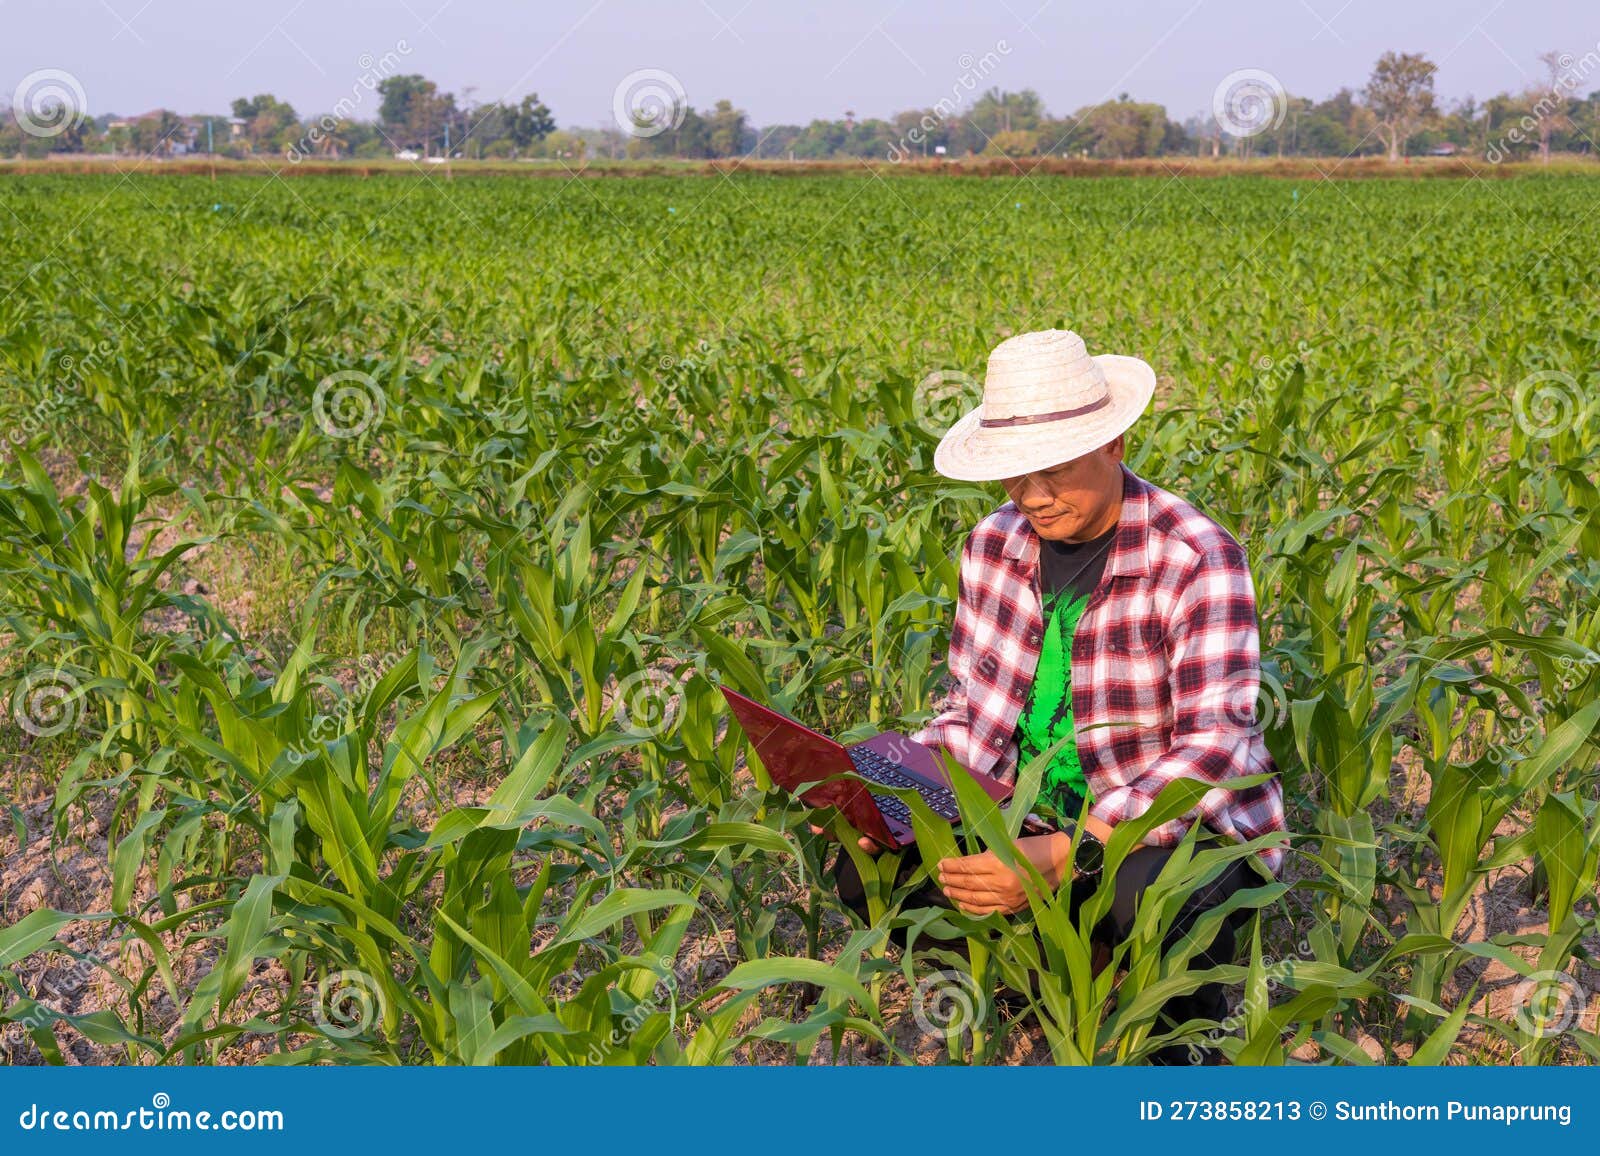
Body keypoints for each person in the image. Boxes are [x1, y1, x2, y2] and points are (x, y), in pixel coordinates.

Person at [813, 328, 1288, 1064]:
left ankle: (1174, 1038)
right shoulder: (991, 545)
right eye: (1014, 474)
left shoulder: (1195, 554)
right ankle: (1032, 984)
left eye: (1055, 470)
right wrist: (892, 797)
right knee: (858, 861)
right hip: (1025, 809)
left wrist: (1066, 854)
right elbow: (973, 712)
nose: (1033, 496)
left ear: (1116, 444)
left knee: (1148, 900)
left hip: (1156, 827)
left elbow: (1214, 746)